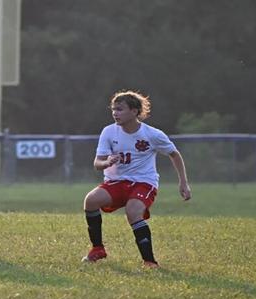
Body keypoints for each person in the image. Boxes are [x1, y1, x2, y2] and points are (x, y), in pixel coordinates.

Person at [81, 91, 191, 269]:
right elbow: (97, 163)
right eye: (113, 109)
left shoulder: (152, 134)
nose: (115, 113)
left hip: (143, 182)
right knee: (91, 201)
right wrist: (106, 162)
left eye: (120, 109)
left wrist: (183, 183)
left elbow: (174, 154)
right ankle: (98, 249)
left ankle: (150, 261)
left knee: (133, 212)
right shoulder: (109, 131)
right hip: (116, 182)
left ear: (134, 111)